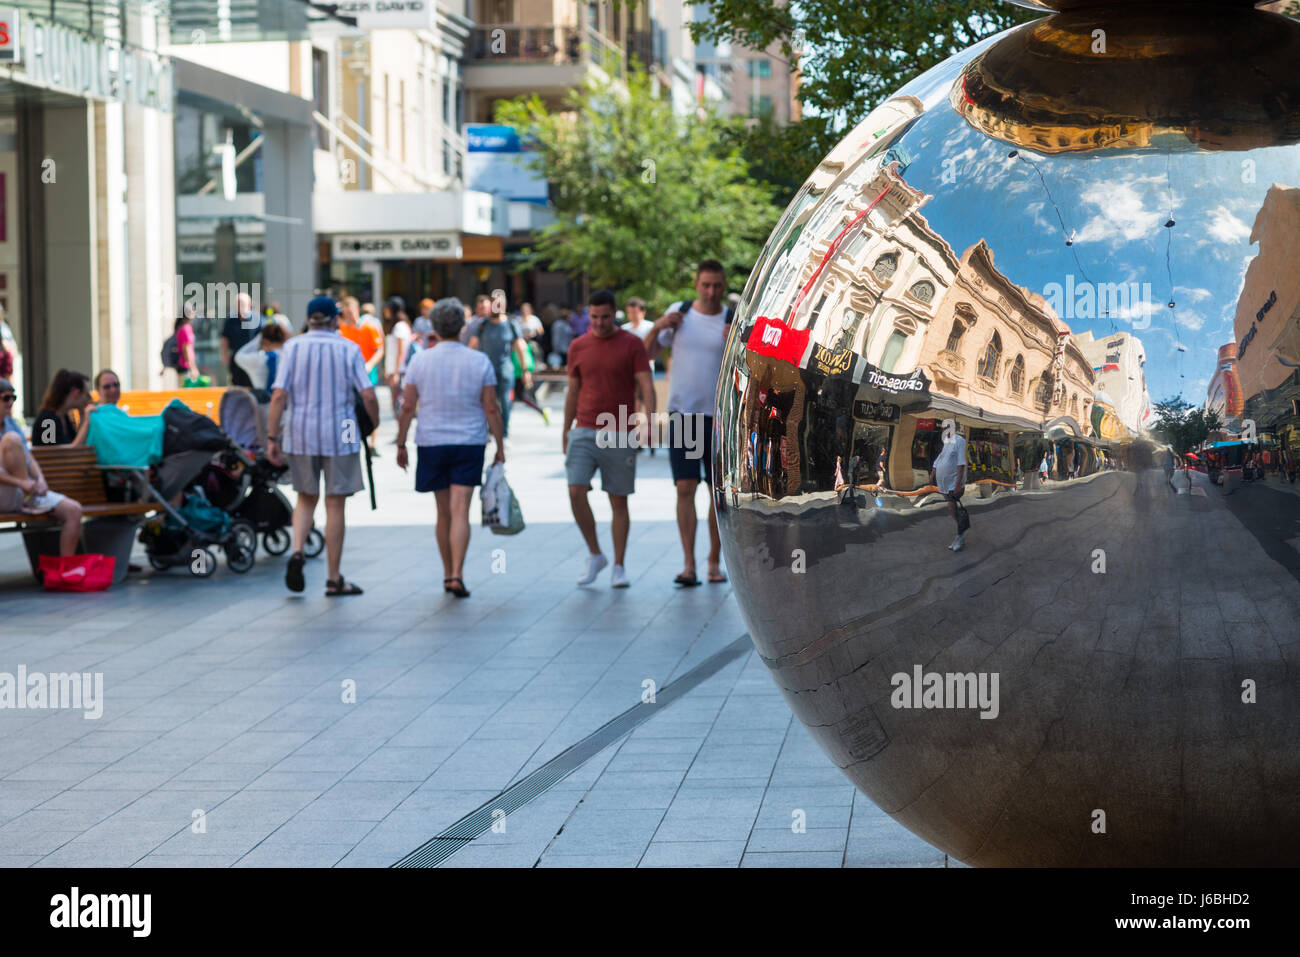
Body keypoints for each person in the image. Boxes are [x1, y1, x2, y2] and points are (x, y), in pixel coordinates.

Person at [266, 296, 380, 597]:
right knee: (335, 502)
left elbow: (278, 396)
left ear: (308, 319)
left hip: (301, 430)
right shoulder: (348, 348)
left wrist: (271, 438)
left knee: (305, 498)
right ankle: (333, 578)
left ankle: (299, 550)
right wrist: (374, 425)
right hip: (341, 430)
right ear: (334, 320)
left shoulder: (292, 348)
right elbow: (367, 395)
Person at [396, 297, 505, 598]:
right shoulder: (478, 360)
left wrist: (401, 441)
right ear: (462, 326)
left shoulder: (420, 360)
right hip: (469, 441)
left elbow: (408, 407)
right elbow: (491, 408)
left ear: (434, 326)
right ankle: (458, 573)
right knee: (461, 511)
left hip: (431, 441)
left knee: (442, 513)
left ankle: (447, 574)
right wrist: (500, 444)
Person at [646, 260, 732, 585]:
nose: (711, 292)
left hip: (720, 418)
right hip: (683, 415)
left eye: (717, 286)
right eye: (706, 285)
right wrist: (657, 326)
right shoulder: (679, 314)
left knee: (717, 492)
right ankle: (688, 564)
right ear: (697, 284)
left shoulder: (731, 319)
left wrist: (737, 343)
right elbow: (646, 354)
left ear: (723, 286)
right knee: (685, 487)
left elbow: (751, 367)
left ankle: (713, 562)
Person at [563, 289, 655, 588]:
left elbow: (646, 385)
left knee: (618, 499)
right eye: (594, 317)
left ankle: (618, 565)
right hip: (585, 428)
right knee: (576, 491)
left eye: (605, 317)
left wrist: (649, 423)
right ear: (588, 315)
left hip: (619, 429)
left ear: (614, 314)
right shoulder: (578, 345)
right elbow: (572, 390)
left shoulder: (632, 344)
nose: (600, 323)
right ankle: (595, 554)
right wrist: (567, 429)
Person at [0, 379, 83, 555]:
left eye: (13, 398)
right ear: (72, 394)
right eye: (6, 398)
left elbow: (34, 455)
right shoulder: (49, 420)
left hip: (43, 484)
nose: (11, 402)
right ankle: (29, 496)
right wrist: (88, 420)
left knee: (74, 509)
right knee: (12, 439)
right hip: (43, 484)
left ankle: (66, 571)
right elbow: (58, 449)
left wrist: (40, 479)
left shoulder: (65, 419)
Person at [467, 295, 533, 437]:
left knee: (505, 402)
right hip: (485, 371)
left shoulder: (511, 323)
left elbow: (519, 347)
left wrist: (525, 370)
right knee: (488, 402)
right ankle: (490, 431)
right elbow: (472, 345)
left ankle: (504, 433)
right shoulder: (483, 324)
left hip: (505, 369)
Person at [338, 296, 385, 458]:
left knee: (369, 403)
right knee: (350, 407)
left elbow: (379, 349)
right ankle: (350, 440)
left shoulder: (368, 328)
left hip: (366, 373)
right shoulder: (341, 329)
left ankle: (372, 443)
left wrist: (371, 364)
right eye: (345, 313)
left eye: (350, 311)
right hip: (348, 377)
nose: (348, 315)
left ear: (357, 310)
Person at [929, 424, 969, 551]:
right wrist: (932, 475)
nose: (944, 430)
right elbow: (939, 459)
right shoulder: (947, 442)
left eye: (947, 427)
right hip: (945, 484)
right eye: (943, 428)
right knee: (951, 507)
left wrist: (958, 485)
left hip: (954, 483)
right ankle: (960, 532)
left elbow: (961, 463)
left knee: (952, 506)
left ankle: (960, 536)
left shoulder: (959, 441)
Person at [32, 370, 94, 447]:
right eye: (87, 394)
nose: (90, 398)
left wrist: (82, 415)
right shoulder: (47, 420)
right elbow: (60, 455)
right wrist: (86, 423)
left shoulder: (63, 417)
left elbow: (79, 443)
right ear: (76, 393)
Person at [220, 292, 260, 388]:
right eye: (238, 303)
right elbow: (225, 338)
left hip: (252, 357)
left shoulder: (257, 318)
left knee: (252, 382)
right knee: (236, 383)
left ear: (249, 304)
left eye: (242, 303)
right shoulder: (230, 320)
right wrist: (224, 354)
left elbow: (263, 337)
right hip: (236, 357)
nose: (240, 306)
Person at [234, 323, 289, 391]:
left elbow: (238, 356)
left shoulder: (258, 360)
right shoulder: (290, 357)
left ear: (263, 341)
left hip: (263, 400)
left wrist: (259, 336)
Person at [385, 301, 416, 417]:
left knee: (399, 406)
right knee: (398, 405)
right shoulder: (400, 326)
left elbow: (401, 352)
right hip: (396, 370)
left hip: (399, 371)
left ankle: (402, 434)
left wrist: (396, 373)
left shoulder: (399, 326)